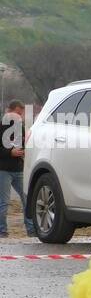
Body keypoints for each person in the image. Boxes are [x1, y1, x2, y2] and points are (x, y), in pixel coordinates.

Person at [1, 100, 36, 238]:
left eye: (20, 114)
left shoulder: (19, 126)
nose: (19, 116)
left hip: (19, 169)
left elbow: (22, 144)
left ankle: (32, 230)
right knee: (3, 202)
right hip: (3, 170)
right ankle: (2, 231)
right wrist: (10, 152)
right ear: (8, 110)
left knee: (27, 199)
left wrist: (25, 151)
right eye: (17, 113)